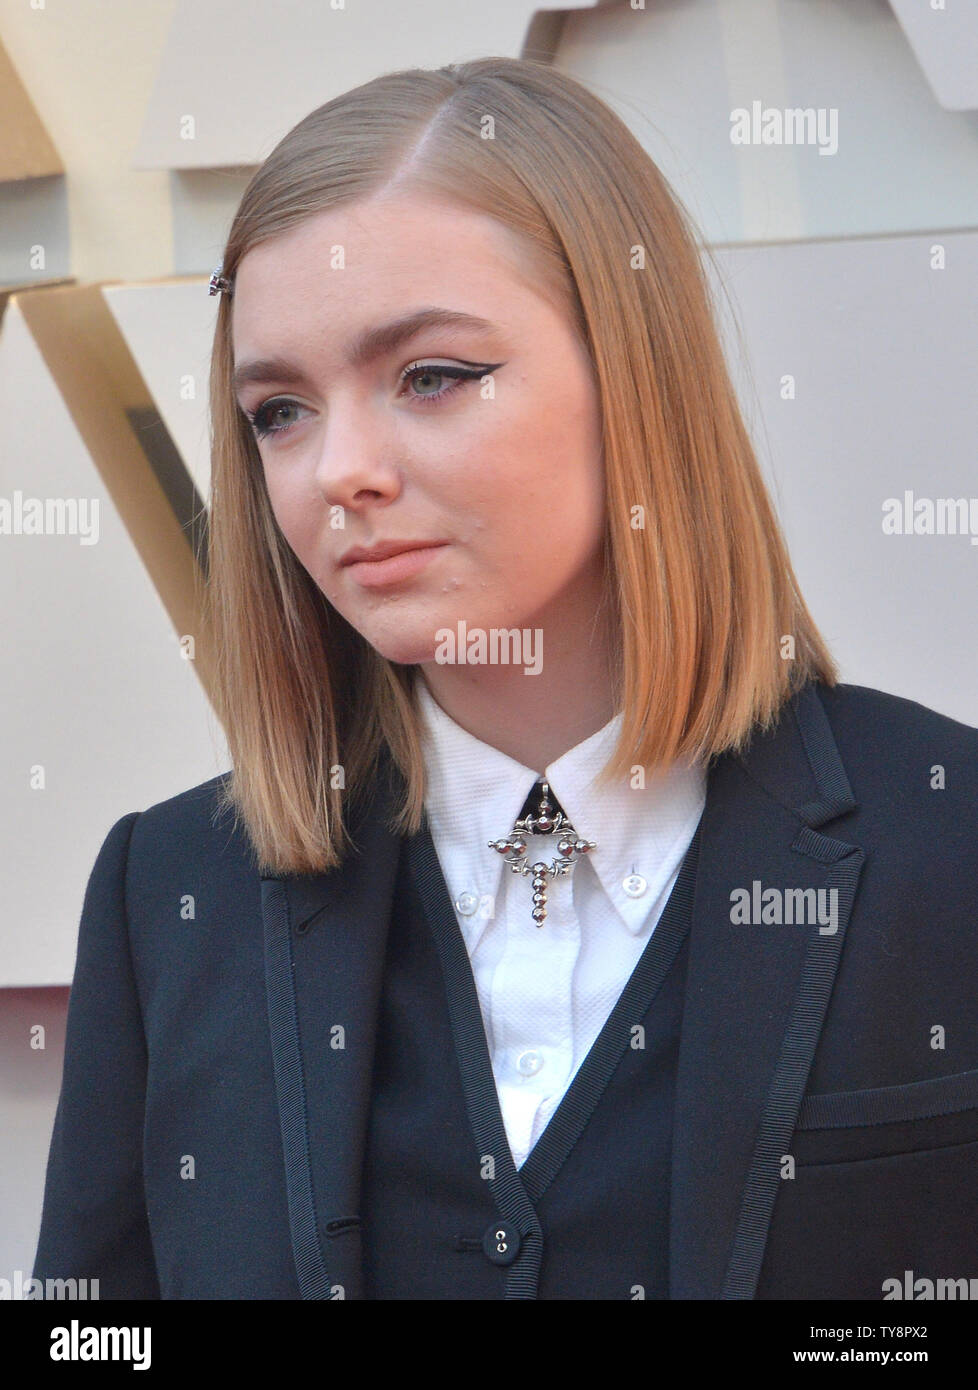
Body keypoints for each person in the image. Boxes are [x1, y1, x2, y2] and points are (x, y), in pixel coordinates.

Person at [33, 55, 978, 1301]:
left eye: (432, 376)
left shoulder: (948, 837)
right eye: (279, 410)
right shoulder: (168, 895)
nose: (339, 472)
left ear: (633, 373)